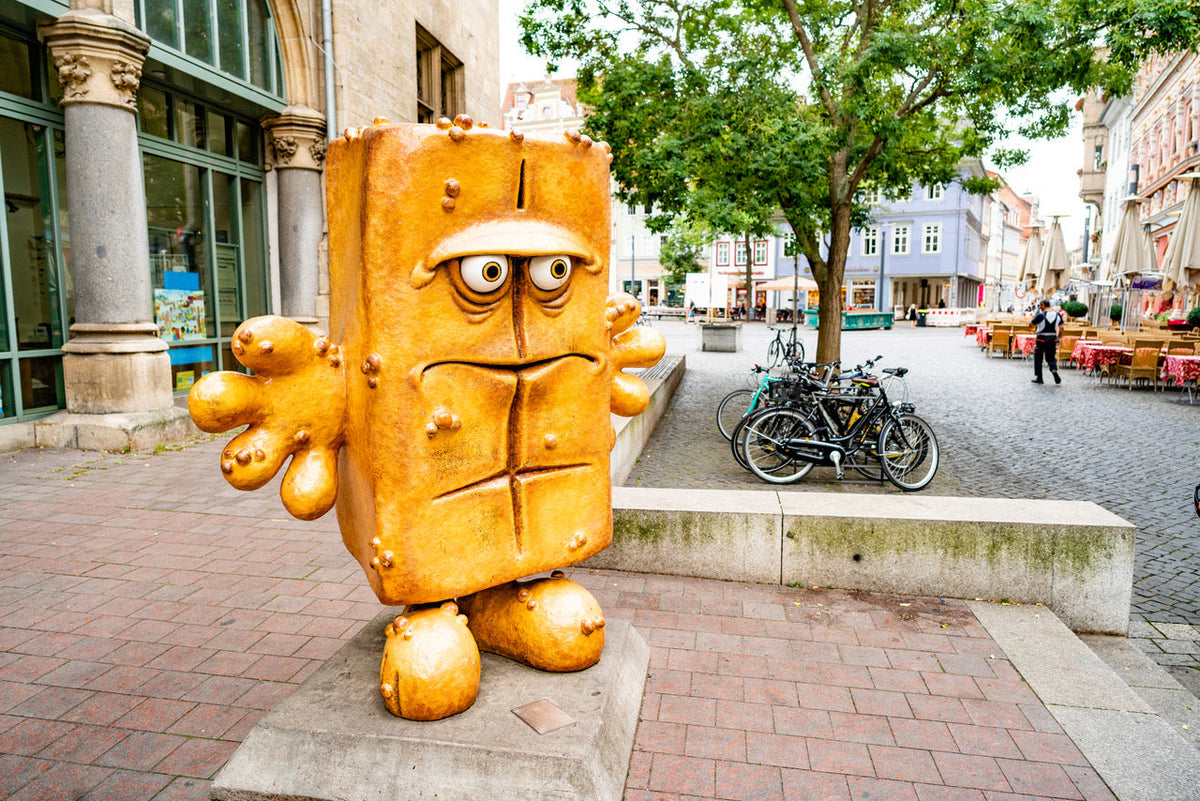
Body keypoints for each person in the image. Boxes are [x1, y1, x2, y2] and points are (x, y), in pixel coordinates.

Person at [1031, 299, 1063, 385]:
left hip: (1041, 337)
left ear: (1043, 305)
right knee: (1051, 356)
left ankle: (1039, 377)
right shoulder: (1058, 314)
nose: (1040, 307)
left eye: (1040, 306)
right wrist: (1059, 337)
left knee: (1038, 357)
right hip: (1052, 337)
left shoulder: (1041, 315)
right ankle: (1053, 369)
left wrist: (1033, 318)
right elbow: (1061, 328)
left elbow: (1031, 324)